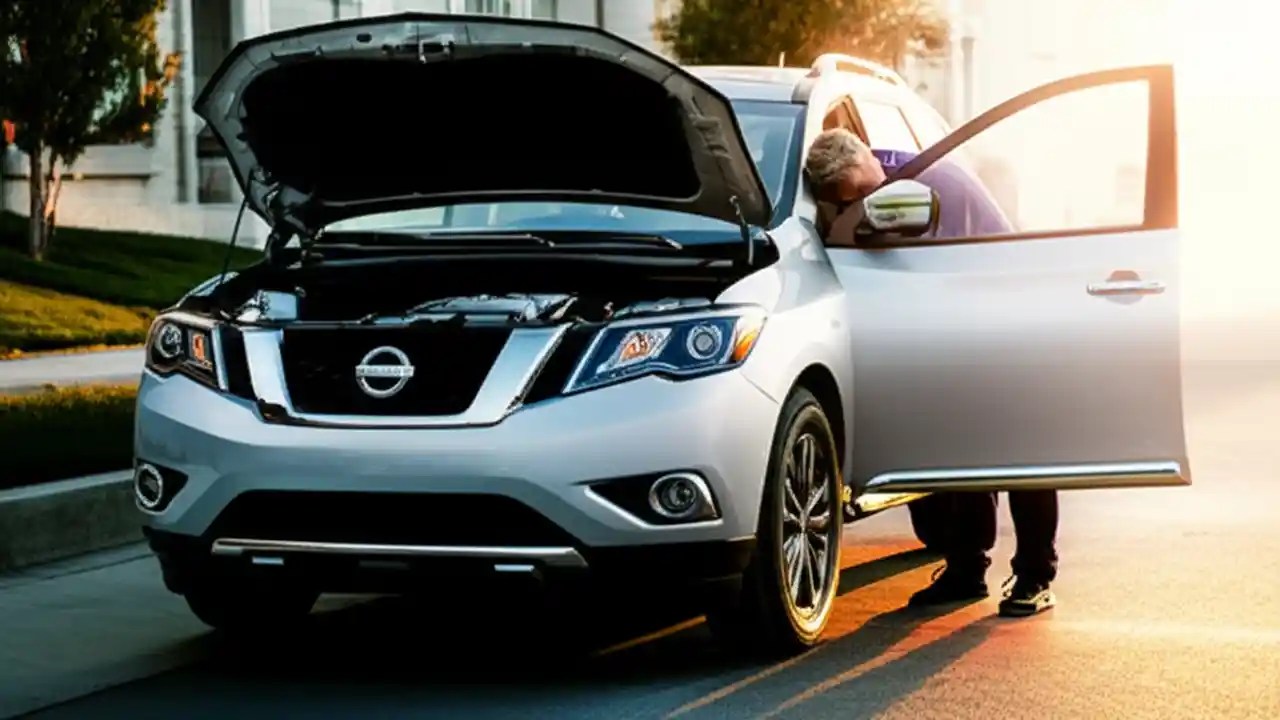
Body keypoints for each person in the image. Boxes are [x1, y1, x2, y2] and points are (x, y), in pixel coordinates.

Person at [803, 127, 1059, 618]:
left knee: (1022, 453)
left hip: (1002, 323)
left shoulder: (933, 179)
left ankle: (1035, 575)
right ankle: (966, 570)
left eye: (860, 191)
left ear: (866, 159)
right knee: (955, 452)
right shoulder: (862, 192)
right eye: (845, 202)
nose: (861, 204)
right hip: (941, 334)